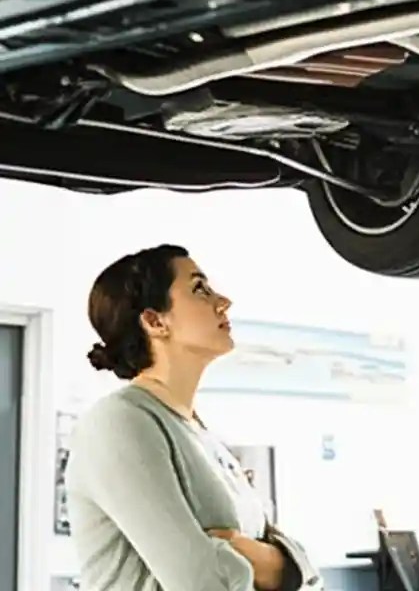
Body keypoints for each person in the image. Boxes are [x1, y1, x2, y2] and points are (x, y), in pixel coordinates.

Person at [64, 244, 321, 591]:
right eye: (200, 289)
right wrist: (272, 564)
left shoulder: (202, 434)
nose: (223, 301)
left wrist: (272, 564)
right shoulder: (118, 422)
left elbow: (307, 577)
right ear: (155, 321)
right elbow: (202, 584)